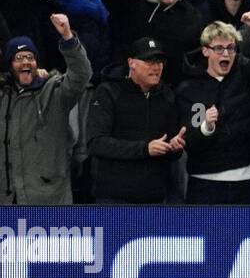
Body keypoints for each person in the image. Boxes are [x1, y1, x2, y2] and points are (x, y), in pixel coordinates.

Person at [175, 18, 250, 205]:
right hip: (205, 183)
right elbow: (189, 139)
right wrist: (206, 127)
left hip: (247, 180)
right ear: (206, 51)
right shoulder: (188, 89)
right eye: (219, 48)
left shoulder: (245, 75)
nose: (226, 54)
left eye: (231, 48)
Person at [0, 14, 92, 205]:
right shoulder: (3, 96)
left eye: (30, 57)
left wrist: (68, 37)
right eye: (19, 58)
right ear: (9, 65)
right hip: (7, 200)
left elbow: (81, 74)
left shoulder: (56, 92)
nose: (25, 62)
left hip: (48, 201)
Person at [86, 37, 188, 204]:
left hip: (155, 196)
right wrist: (144, 149)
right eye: (149, 61)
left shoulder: (167, 95)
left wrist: (174, 147)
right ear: (131, 62)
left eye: (159, 61)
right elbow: (96, 143)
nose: (156, 67)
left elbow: (168, 150)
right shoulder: (108, 92)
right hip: (114, 197)